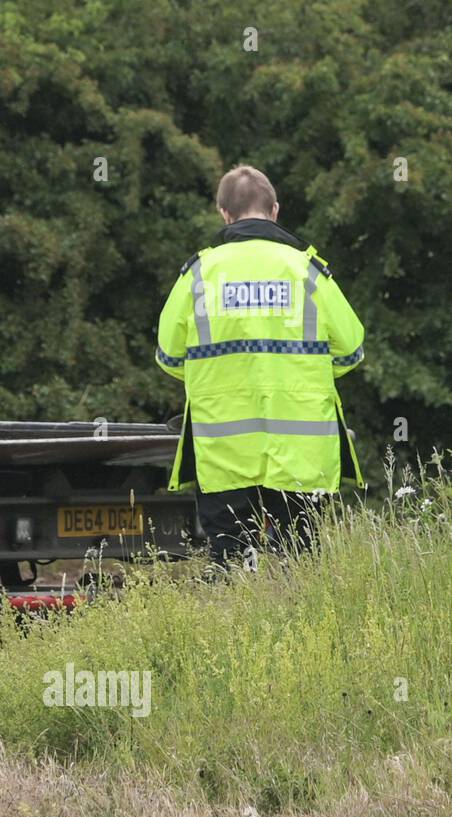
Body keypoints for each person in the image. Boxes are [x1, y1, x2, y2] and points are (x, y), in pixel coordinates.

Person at [155, 165, 365, 566]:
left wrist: (217, 375)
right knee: (298, 566)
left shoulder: (199, 274)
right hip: (300, 452)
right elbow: (351, 351)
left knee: (232, 567)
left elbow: (168, 356)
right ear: (275, 209)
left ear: (224, 213)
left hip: (225, 450)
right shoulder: (307, 270)